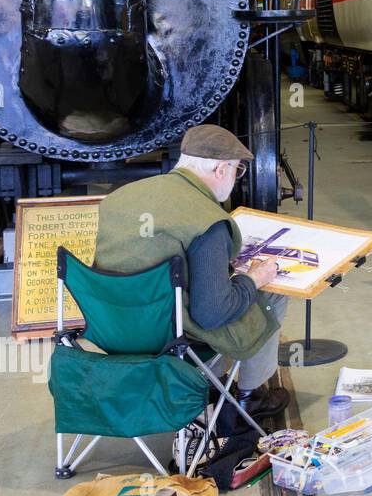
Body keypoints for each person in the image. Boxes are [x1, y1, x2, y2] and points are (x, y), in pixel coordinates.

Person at [94, 125, 289, 420]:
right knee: (274, 291)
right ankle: (248, 397)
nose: (235, 180)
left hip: (110, 327)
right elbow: (211, 313)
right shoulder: (208, 220)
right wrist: (255, 279)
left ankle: (214, 383)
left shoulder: (120, 197)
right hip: (167, 337)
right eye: (237, 171)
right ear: (222, 169)